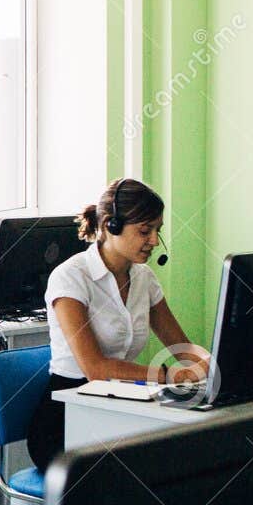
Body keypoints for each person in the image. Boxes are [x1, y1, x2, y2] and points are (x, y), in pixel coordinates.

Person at [26, 177, 209, 472]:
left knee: (183, 462)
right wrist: (170, 376)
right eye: (144, 231)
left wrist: (210, 363)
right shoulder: (70, 277)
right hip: (67, 418)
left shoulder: (145, 278)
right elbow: (95, 369)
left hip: (121, 405)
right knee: (145, 475)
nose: (153, 241)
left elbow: (183, 348)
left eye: (157, 231)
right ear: (110, 225)